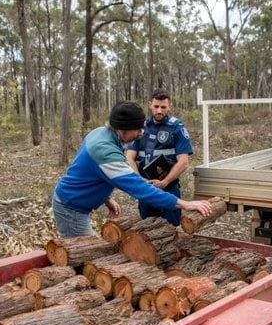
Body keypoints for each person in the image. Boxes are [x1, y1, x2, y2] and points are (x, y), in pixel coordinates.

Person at [52, 101, 212, 236]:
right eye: (137, 129)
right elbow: (140, 189)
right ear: (123, 129)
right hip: (71, 208)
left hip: (72, 201)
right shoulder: (105, 151)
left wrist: (105, 199)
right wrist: (185, 204)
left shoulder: (101, 133)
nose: (140, 133)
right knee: (83, 256)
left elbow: (87, 171)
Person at [126, 89, 191, 226]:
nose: (159, 111)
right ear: (150, 105)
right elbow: (129, 156)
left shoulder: (177, 128)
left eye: (163, 107)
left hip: (169, 188)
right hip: (146, 188)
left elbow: (184, 162)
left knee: (171, 228)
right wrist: (139, 180)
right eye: (156, 106)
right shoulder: (141, 127)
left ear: (170, 106)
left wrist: (165, 182)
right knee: (146, 229)